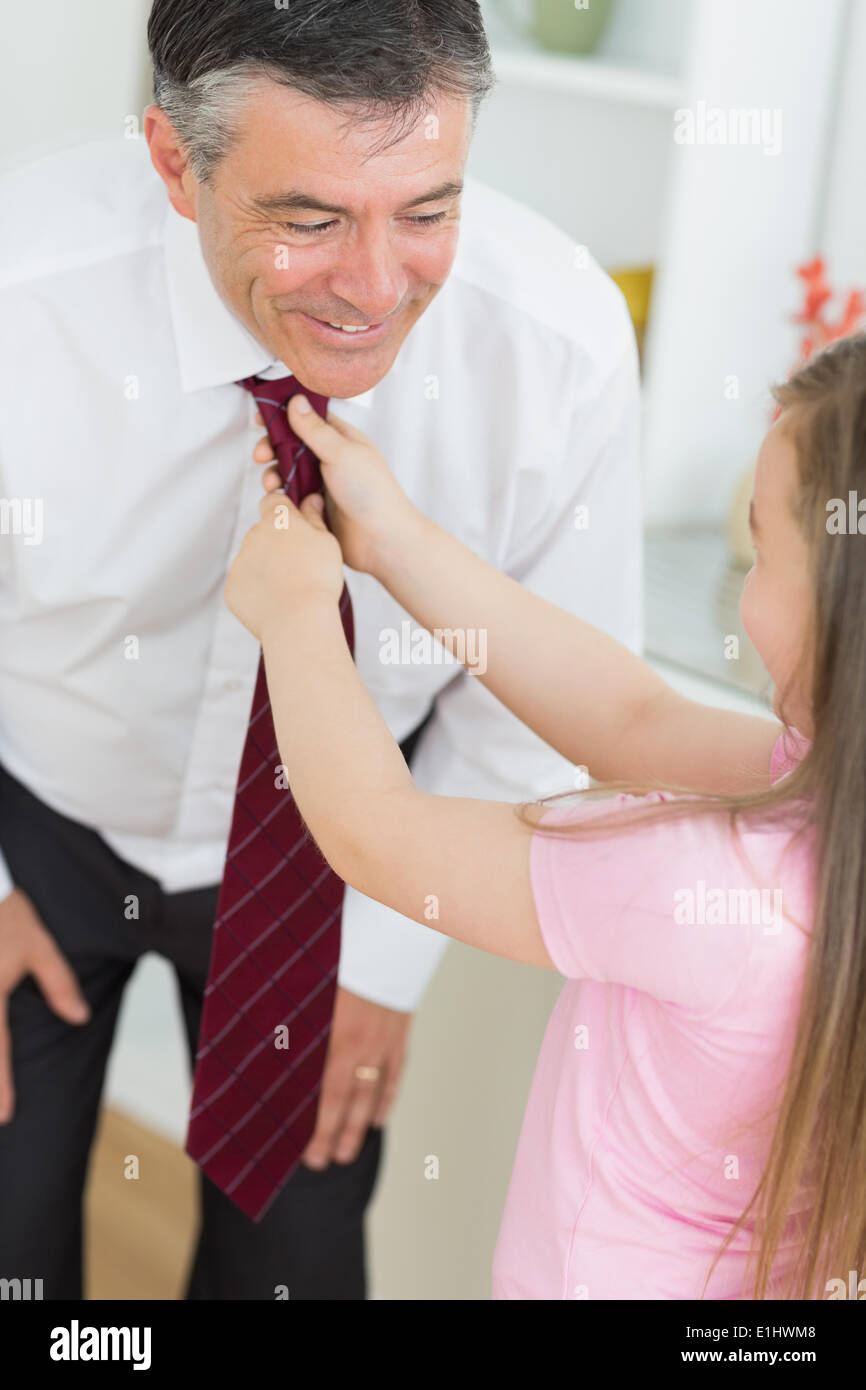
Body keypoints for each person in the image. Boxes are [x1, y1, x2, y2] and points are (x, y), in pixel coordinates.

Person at [0, 0, 640, 1298]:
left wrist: (394, 951)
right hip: (41, 826)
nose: (371, 285)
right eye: (306, 220)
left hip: (340, 872)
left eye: (424, 210)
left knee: (291, 1272)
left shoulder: (556, 348)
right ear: (175, 164)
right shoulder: (21, 296)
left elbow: (537, 701)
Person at [225, 331, 866, 1300]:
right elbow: (629, 717)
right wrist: (393, 541)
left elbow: (375, 833)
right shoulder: (832, 800)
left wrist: (294, 614)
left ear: (829, 599)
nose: (742, 590)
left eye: (759, 545)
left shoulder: (704, 886)